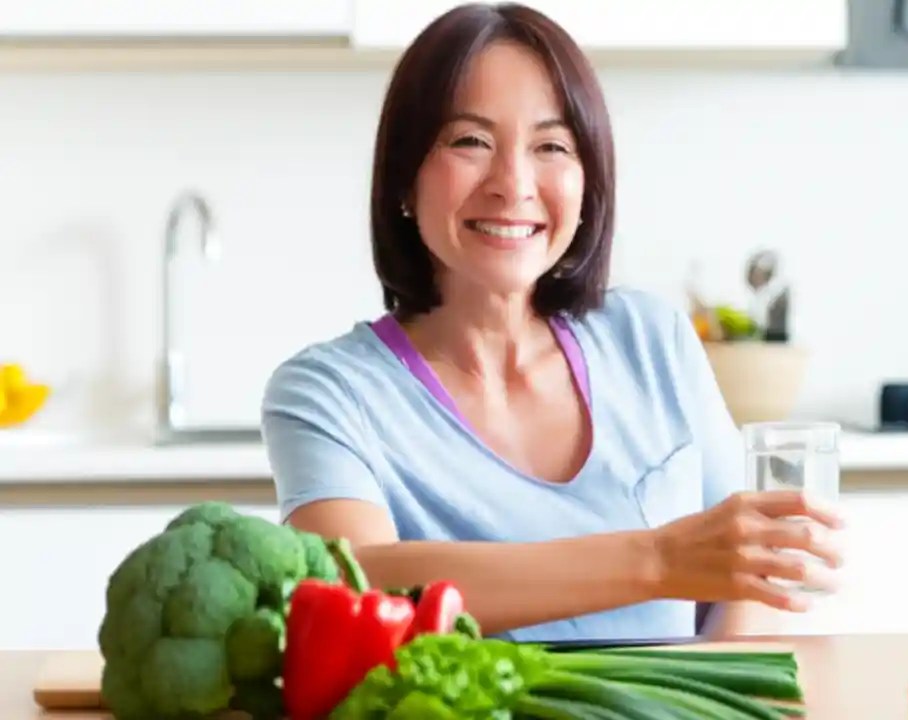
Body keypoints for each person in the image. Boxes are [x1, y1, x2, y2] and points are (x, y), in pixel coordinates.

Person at [260, 1, 844, 643]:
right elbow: (353, 586)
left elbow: (752, 575)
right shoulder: (327, 392)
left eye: (551, 146)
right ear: (404, 178)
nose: (514, 183)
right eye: (470, 141)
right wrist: (657, 561)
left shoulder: (653, 339)